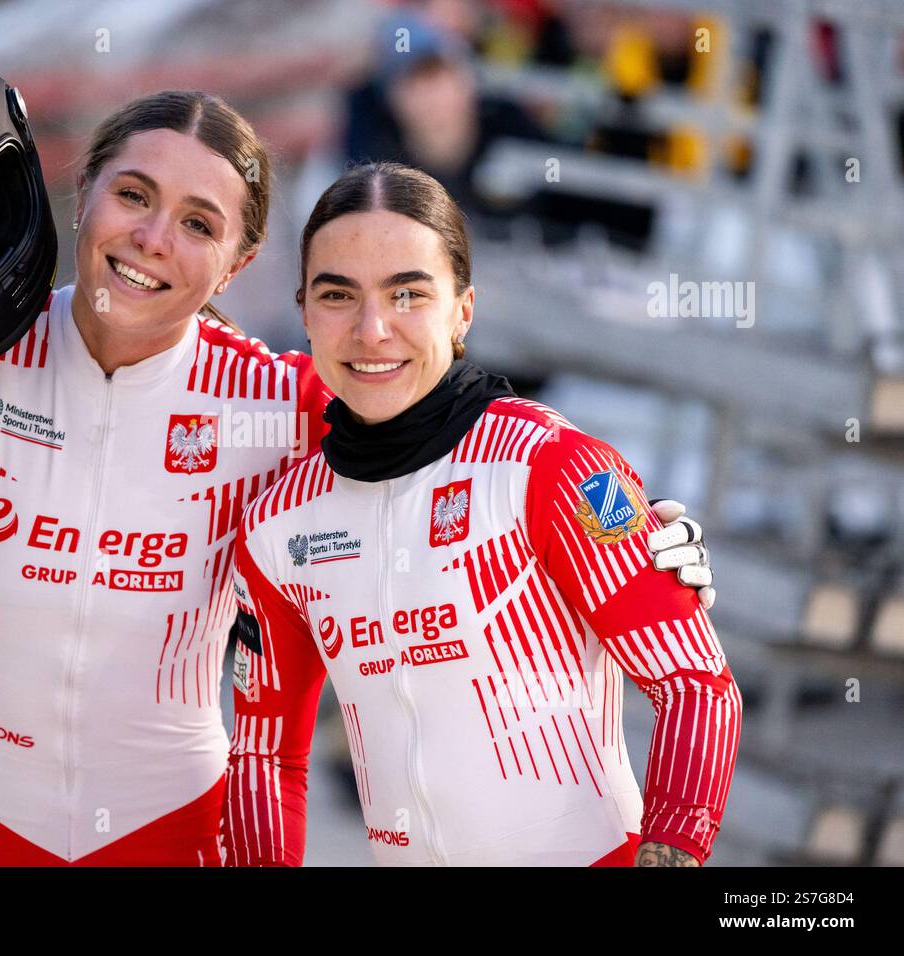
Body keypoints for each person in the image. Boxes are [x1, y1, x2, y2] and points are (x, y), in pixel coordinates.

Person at [0, 91, 715, 866]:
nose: (152, 240)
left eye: (199, 223)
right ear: (81, 192)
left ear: (238, 263)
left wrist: (637, 530)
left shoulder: (281, 402)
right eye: (133, 196)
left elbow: (440, 425)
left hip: (173, 830)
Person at [221, 161, 739, 867]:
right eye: (338, 295)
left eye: (408, 294)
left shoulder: (554, 465)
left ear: (463, 310)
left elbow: (694, 686)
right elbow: (265, 758)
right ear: (306, 312)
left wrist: (672, 848)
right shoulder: (279, 523)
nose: (372, 330)